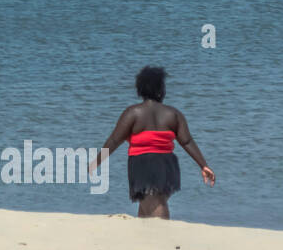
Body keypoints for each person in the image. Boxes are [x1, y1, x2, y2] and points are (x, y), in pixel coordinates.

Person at [90, 66, 214, 218]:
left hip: (143, 164)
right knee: (149, 202)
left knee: (155, 202)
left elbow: (114, 141)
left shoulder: (133, 113)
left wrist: (97, 162)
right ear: (161, 90)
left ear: (140, 90)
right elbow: (187, 141)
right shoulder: (173, 114)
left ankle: (162, 235)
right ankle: (145, 237)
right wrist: (203, 165)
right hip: (168, 164)